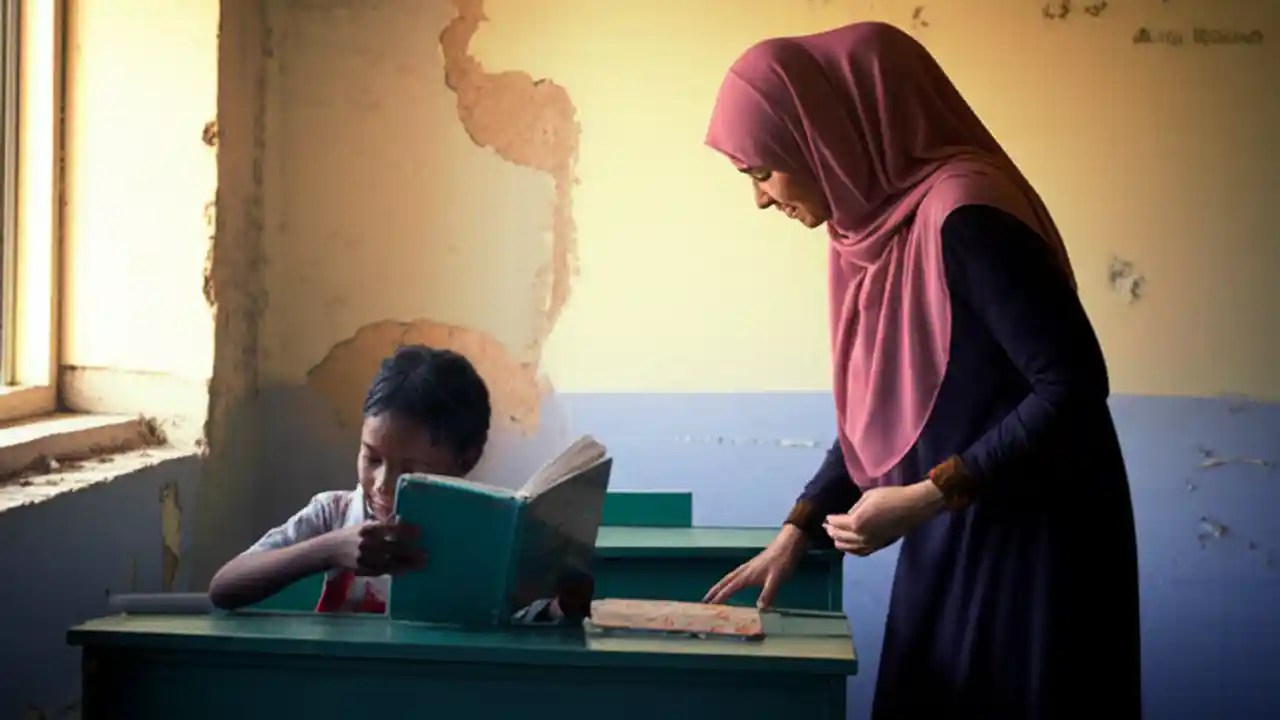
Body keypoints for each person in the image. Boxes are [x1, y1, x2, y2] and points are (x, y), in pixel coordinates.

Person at [698, 21, 1141, 719]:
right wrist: (800, 526)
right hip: (948, 524)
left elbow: (1074, 385)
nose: (759, 197)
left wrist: (929, 496)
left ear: (822, 134)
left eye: (762, 169)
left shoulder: (966, 217)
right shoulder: (871, 235)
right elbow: (881, 413)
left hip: (1030, 542)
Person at [209, 344, 588, 622]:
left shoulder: (483, 535)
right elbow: (224, 587)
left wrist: (560, 609)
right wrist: (326, 551)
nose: (382, 484)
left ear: (465, 460)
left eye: (409, 470)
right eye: (371, 458)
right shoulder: (334, 514)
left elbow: (507, 630)